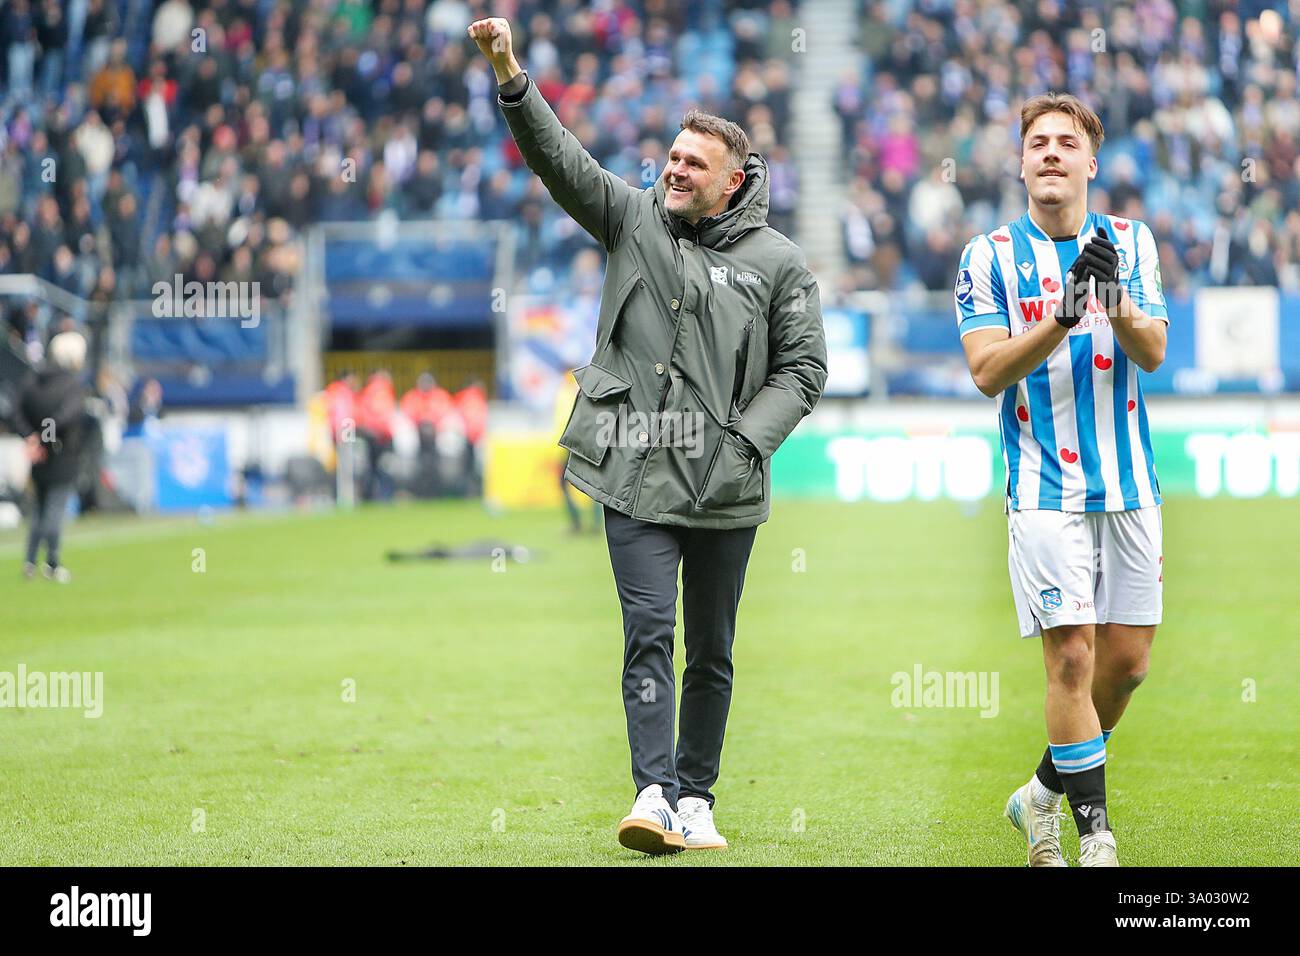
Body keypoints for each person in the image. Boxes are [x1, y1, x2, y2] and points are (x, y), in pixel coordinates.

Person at [470, 17, 827, 855]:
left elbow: (803, 372)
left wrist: (744, 446)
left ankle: (697, 797)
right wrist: (511, 73)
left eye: (692, 163)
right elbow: (561, 161)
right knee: (648, 633)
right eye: (671, 157)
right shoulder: (630, 219)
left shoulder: (781, 263)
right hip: (630, 473)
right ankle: (652, 790)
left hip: (726, 486)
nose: (673, 169)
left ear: (733, 181)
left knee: (712, 652)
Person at [955, 94, 1169, 867]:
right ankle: (1093, 836)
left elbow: (1152, 353)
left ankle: (1041, 791)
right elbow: (985, 371)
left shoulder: (1132, 241)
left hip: (1130, 486)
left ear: (1090, 163)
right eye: (1036, 141)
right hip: (1043, 487)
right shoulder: (987, 256)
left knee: (1127, 665)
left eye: (1064, 142)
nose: (1050, 151)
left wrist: (1109, 295)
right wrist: (1062, 313)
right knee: (1072, 659)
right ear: (1020, 163)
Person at [15, 330, 90, 583]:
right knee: (54, 510)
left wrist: (32, 438)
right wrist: (45, 438)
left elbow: (17, 410)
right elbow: (65, 417)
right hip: (62, 454)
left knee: (39, 509)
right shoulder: (71, 386)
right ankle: (52, 563)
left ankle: (29, 562)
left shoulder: (34, 380)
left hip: (39, 455)